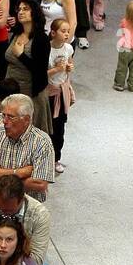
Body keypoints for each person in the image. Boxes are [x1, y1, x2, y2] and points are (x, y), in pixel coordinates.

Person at [0, 94, 55, 202]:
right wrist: (19, 173)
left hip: (27, 204)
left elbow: (39, 184)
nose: (4, 121)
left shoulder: (42, 142)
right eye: (3, 115)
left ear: (26, 119)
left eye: (10, 117)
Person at [5, 0, 52, 137]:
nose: (21, 12)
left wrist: (21, 56)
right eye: (19, 9)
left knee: (30, 137)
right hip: (13, 91)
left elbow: (40, 70)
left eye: (25, 9)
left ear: (35, 13)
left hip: (31, 94)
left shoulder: (41, 39)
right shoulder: (16, 34)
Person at [47, 17, 75, 170]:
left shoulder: (68, 48)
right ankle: (46, 157)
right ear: (52, 33)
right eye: (63, 31)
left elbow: (70, 63)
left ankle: (56, 158)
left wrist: (69, 67)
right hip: (50, 92)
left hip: (62, 90)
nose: (66, 34)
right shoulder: (47, 50)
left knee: (60, 127)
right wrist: (57, 69)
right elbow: (41, 74)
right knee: (49, 126)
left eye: (68, 32)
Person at [113, 0, 133, 92]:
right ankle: (132, 85)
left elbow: (121, 29)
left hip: (125, 49)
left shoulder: (124, 22)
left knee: (122, 67)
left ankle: (119, 84)